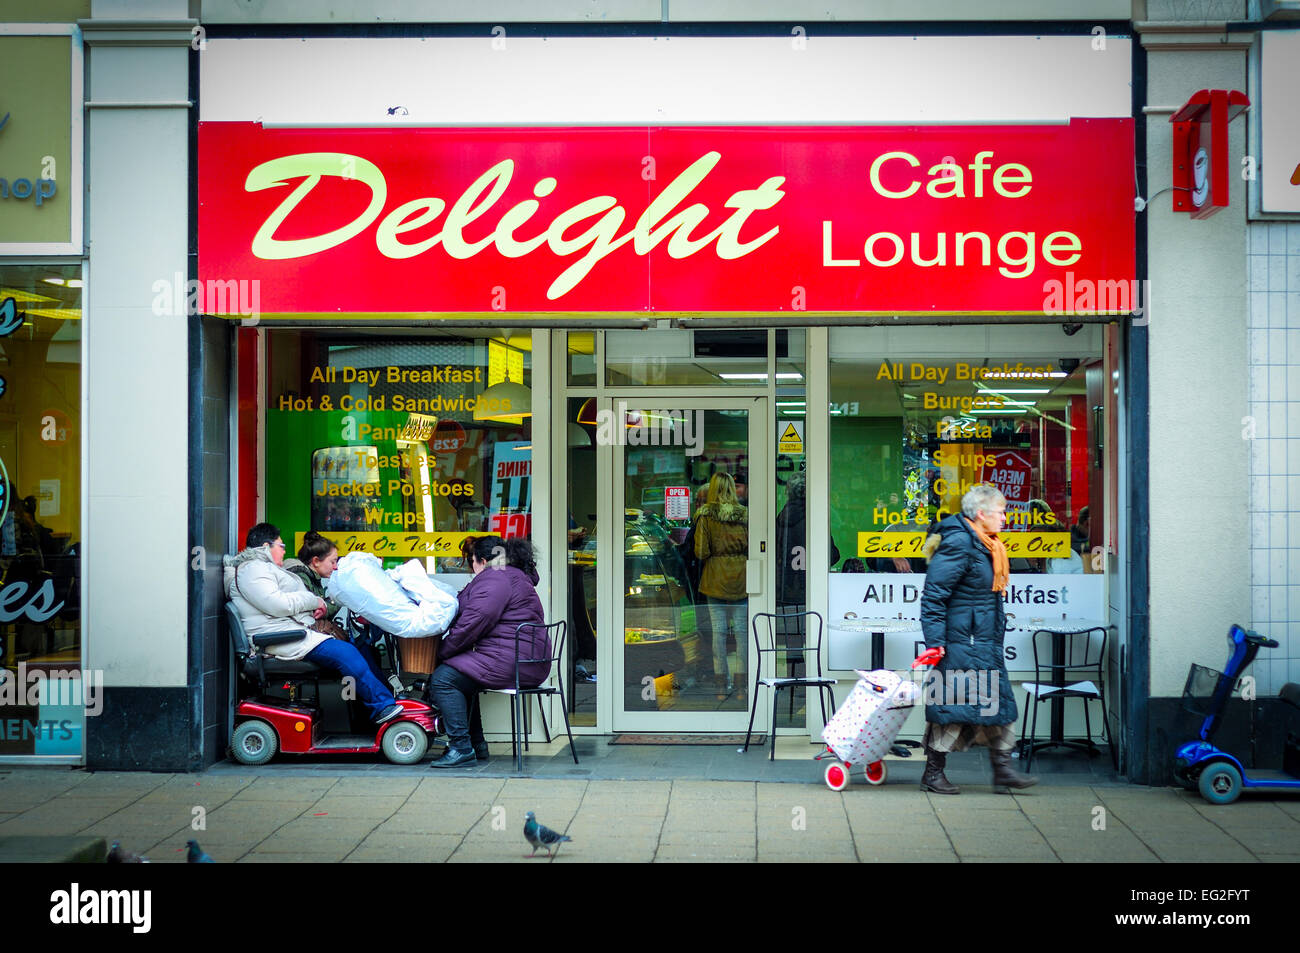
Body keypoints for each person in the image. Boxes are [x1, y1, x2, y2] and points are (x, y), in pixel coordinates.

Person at [917, 485, 1037, 795]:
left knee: (999, 704)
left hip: (981, 641)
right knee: (953, 707)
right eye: (1001, 512)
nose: (1005, 518)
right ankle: (933, 773)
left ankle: (1003, 769)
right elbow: (933, 596)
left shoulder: (987, 544)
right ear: (981, 514)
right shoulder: (961, 544)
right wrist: (935, 642)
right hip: (962, 642)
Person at [224, 522, 402, 726]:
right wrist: (313, 601)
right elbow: (278, 605)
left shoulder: (261, 569)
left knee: (355, 649)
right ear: (266, 546)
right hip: (281, 639)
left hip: (292, 634)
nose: (284, 551)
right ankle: (382, 706)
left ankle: (386, 703)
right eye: (281, 546)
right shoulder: (252, 570)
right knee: (346, 653)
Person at [427, 535, 547, 768]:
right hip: (529, 660)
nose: (472, 570)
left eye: (471, 562)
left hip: (513, 660)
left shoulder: (496, 578)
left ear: (482, 560)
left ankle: (461, 747)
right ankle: (477, 744)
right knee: (464, 679)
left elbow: (475, 620)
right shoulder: (513, 575)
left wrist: (441, 652)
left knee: (443, 679)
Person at [694, 471, 748, 695]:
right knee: (743, 633)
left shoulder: (705, 516)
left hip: (714, 579)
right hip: (741, 579)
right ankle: (740, 683)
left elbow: (700, 551)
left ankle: (720, 683)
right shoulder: (744, 515)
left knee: (719, 633)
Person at [282, 531, 344, 624]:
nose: (336, 567)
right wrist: (337, 599)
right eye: (332, 562)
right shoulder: (300, 577)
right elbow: (312, 613)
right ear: (316, 561)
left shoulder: (311, 576)